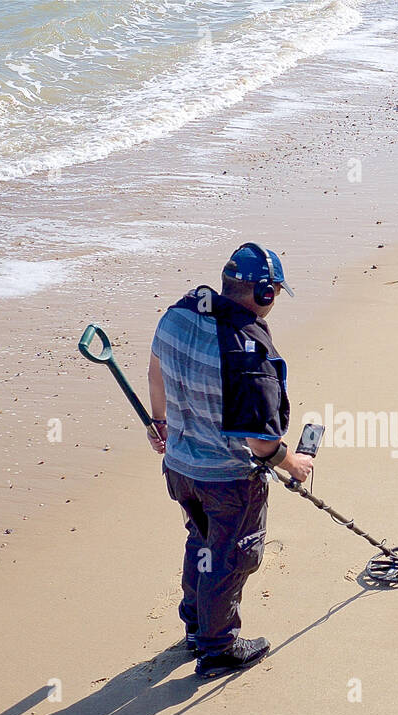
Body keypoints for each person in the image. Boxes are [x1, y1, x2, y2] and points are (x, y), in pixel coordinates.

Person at [147, 242, 314, 678]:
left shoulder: (177, 315)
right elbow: (260, 443)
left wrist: (159, 422)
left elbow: (155, 369)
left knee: (201, 542)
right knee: (233, 555)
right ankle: (218, 648)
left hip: (181, 468)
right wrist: (293, 463)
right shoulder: (249, 354)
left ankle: (196, 626)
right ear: (263, 294)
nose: (273, 301)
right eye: (274, 292)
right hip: (227, 479)